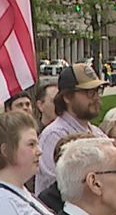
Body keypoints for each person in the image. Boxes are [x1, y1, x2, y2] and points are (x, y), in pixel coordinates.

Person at [37, 62, 105, 200]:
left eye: (97, 91)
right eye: (89, 92)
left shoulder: (98, 133)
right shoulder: (54, 136)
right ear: (67, 97)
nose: (96, 98)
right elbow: (61, 190)